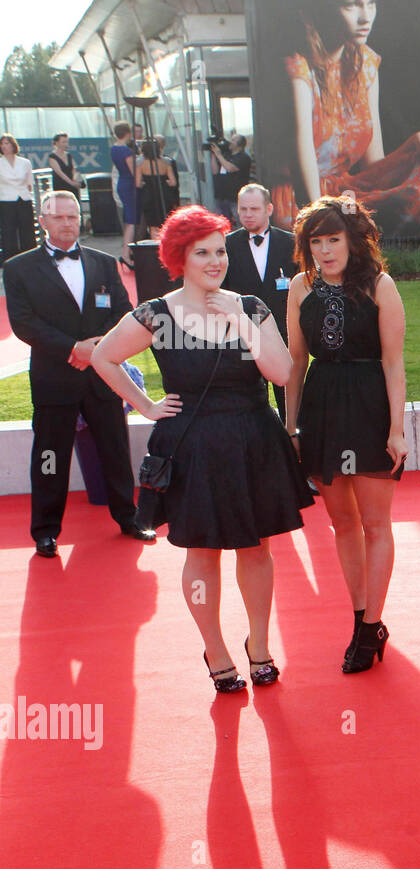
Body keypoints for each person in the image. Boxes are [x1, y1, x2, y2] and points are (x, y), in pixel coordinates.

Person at [91, 205, 313, 692]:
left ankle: (259, 644)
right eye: (202, 252)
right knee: (202, 552)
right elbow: (102, 356)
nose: (215, 261)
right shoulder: (157, 313)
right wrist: (146, 406)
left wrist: (240, 320)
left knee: (256, 549)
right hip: (191, 444)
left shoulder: (250, 307)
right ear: (179, 257)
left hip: (252, 439)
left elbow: (281, 372)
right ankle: (215, 649)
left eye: (220, 251)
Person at [285, 195, 407, 673]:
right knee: (342, 524)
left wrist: (396, 430)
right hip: (321, 407)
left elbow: (394, 363)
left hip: (370, 404)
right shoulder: (299, 287)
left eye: (333, 239)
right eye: (316, 242)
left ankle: (370, 625)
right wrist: (291, 425)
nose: (325, 251)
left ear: (353, 241)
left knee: (376, 525)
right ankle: (362, 617)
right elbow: (296, 362)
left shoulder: (380, 284)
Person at [2, 190, 152, 557]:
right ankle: (46, 531)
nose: (68, 223)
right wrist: (73, 348)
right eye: (59, 218)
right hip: (55, 378)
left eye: (72, 217)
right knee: (50, 456)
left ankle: (129, 518)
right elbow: (24, 323)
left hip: (102, 376)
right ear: (43, 221)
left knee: (115, 450)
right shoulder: (18, 268)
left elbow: (122, 311)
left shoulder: (103, 262)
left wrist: (94, 349)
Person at [274, 0, 420, 237]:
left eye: (371, 3)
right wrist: (324, 223)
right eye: (351, 6)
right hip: (301, 202)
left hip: (346, 192)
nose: (366, 17)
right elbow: (309, 197)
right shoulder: (299, 67)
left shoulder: (365, 63)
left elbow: (375, 169)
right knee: (417, 197)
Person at [223, 184, 297, 420]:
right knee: (251, 403)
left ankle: (293, 444)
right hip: (242, 338)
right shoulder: (225, 246)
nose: (247, 214)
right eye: (243, 209)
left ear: (269, 209)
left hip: (284, 335)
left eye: (254, 208)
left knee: (289, 400)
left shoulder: (291, 243)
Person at [0, 134, 36, 265]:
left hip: (23, 199)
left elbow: (29, 183)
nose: (4, 146)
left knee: (27, 229)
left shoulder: (25, 162)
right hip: (6, 200)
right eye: (2, 144)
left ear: (13, 145)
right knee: (8, 230)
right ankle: (9, 259)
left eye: (7, 143)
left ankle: (30, 257)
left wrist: (25, 193)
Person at [108, 122, 137, 269]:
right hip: (129, 185)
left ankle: (128, 250)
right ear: (128, 133)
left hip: (122, 183)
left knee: (128, 220)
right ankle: (126, 254)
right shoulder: (126, 151)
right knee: (131, 221)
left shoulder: (114, 148)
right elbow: (134, 171)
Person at [135, 140, 177, 240]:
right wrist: (165, 182)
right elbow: (173, 182)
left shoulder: (140, 164)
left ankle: (155, 247)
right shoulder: (166, 162)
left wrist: (145, 183)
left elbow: (137, 184)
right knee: (165, 221)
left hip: (149, 194)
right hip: (164, 194)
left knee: (152, 225)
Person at [210, 133, 253, 222]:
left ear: (239, 145)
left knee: (239, 222)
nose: (230, 142)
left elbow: (230, 168)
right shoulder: (226, 155)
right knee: (222, 223)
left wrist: (219, 155)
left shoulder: (243, 157)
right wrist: (214, 155)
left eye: (233, 140)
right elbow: (215, 171)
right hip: (221, 196)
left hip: (234, 198)